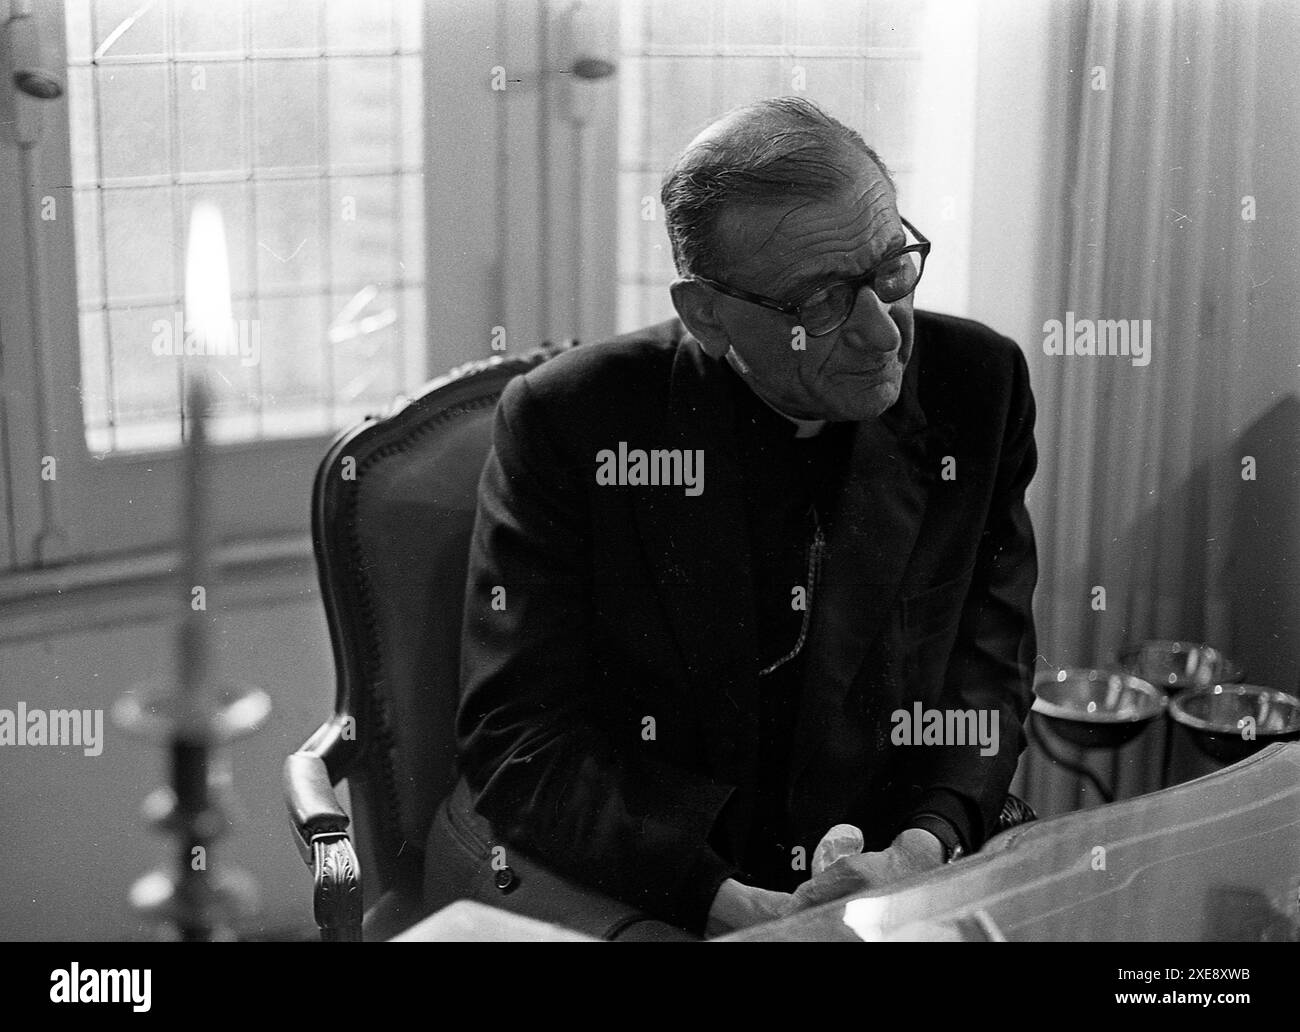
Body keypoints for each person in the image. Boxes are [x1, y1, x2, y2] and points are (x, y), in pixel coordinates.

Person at [439, 96, 1038, 939]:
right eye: (822, 303)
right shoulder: (574, 422)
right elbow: (519, 736)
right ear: (708, 315)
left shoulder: (982, 384)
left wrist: (921, 847)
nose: (882, 333)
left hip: (895, 846)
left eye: (891, 268)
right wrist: (728, 905)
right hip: (669, 862)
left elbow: (990, 666)